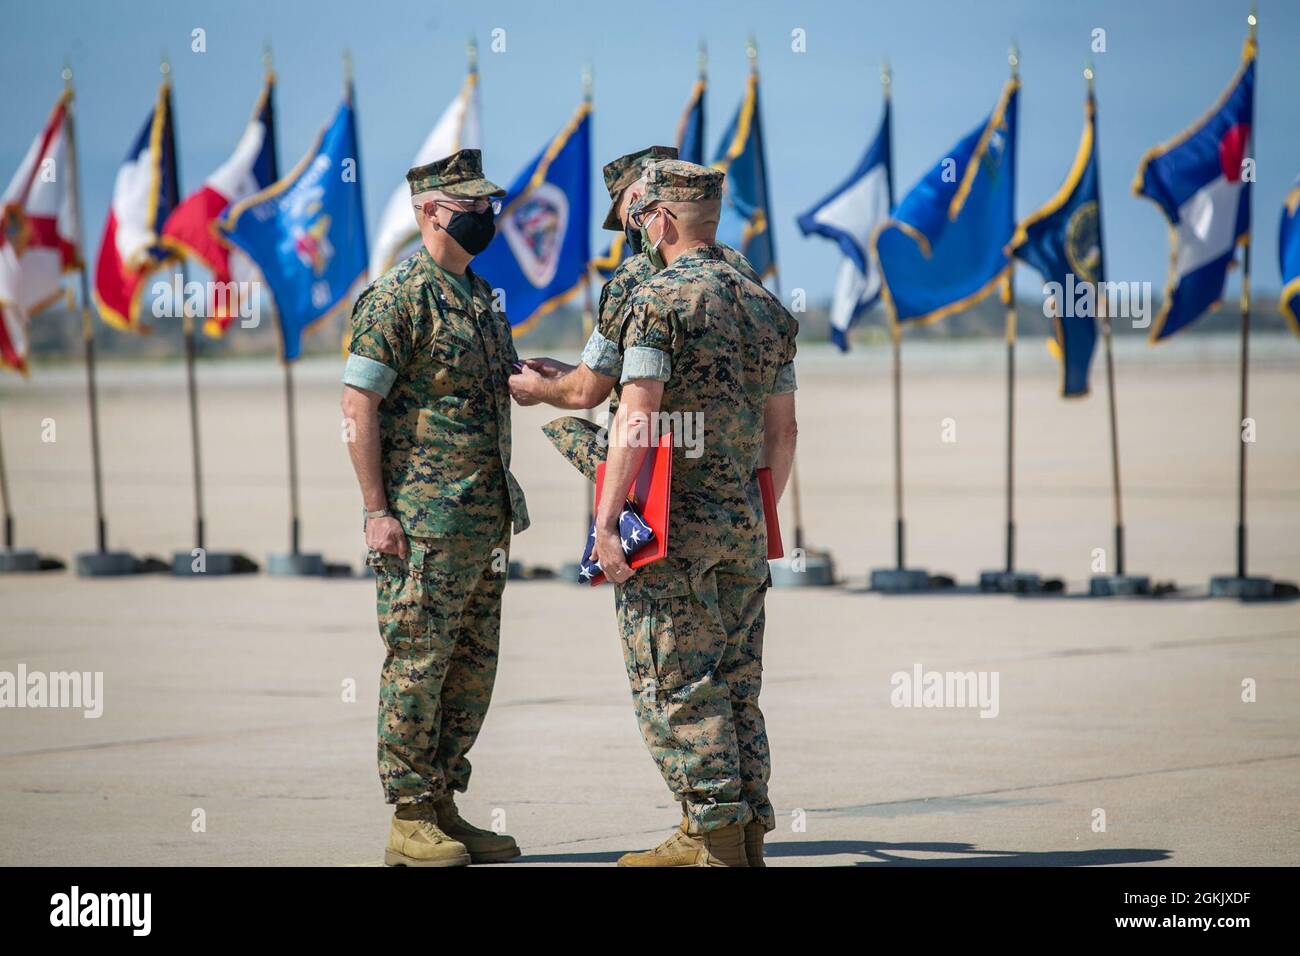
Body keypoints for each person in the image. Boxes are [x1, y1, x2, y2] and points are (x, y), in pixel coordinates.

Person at [574, 159, 799, 866]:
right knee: (737, 682)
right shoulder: (765, 305)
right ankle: (745, 837)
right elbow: (784, 432)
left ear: (661, 218)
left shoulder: (659, 301)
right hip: (742, 525)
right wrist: (758, 513)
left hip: (669, 531)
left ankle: (719, 842)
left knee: (675, 684)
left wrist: (607, 524)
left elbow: (635, 421)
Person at [340, 149, 527, 867]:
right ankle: (409, 815)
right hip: (421, 523)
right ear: (429, 212)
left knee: (470, 671)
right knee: (417, 665)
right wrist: (375, 510)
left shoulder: (481, 298)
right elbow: (359, 406)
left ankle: (445, 800)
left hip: (482, 522)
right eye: (471, 208)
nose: (486, 219)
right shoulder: (397, 298)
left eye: (488, 207)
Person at [509, 145, 761, 411]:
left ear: (637, 200)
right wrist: (567, 371)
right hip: (739, 448)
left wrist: (538, 387)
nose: (628, 232)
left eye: (624, 218)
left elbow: (584, 391)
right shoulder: (739, 267)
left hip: (663, 447)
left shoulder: (634, 276)